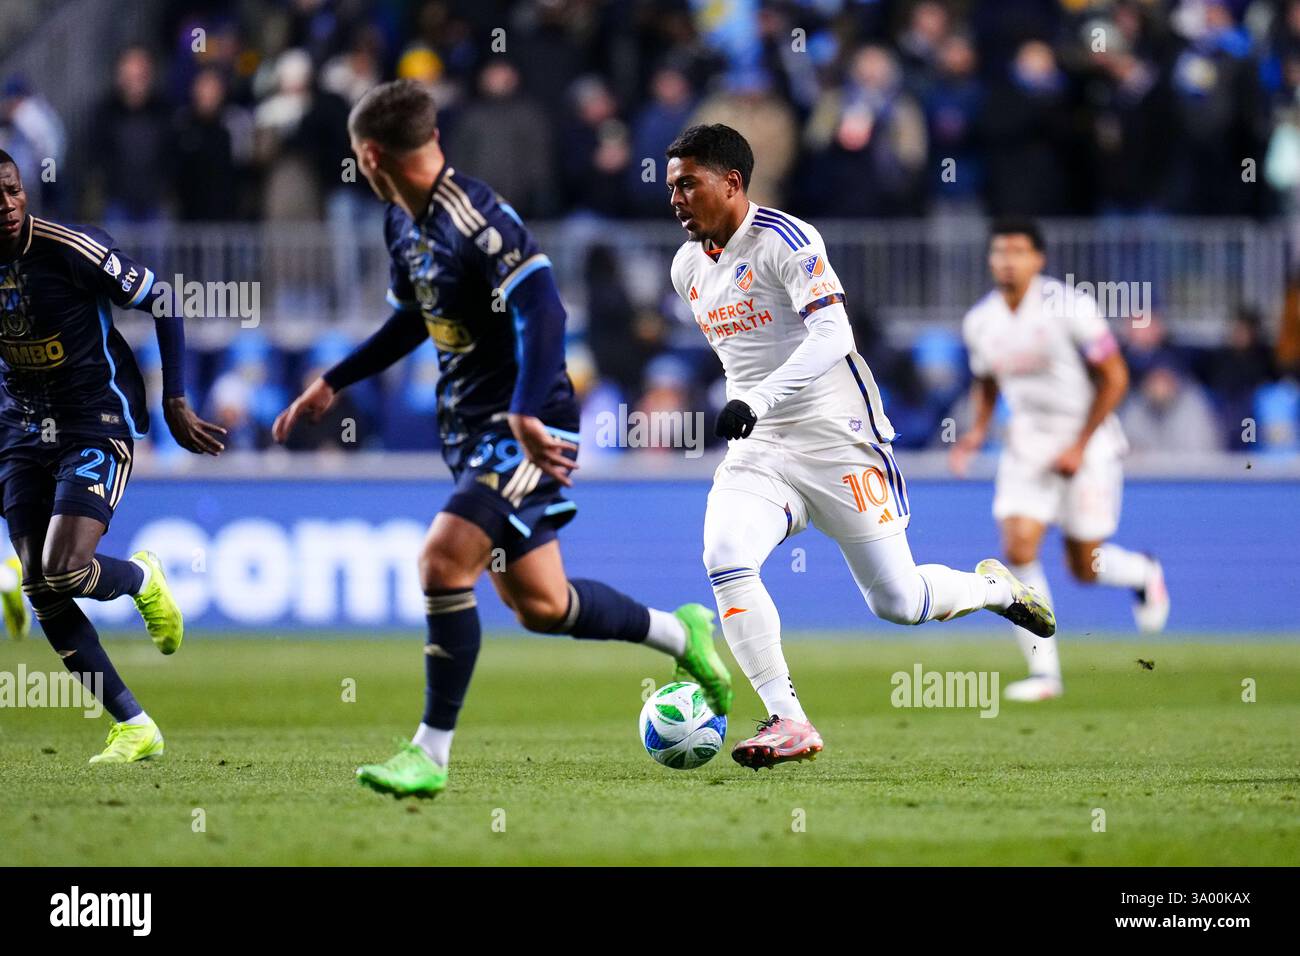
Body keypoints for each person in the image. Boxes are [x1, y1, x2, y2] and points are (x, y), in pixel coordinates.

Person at [272, 81, 732, 799]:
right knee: (541, 605)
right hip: (472, 427)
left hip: (527, 428)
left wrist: (523, 412)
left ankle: (429, 754)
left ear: (369, 155)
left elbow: (544, 307)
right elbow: (410, 319)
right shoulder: (402, 222)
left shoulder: (477, 218)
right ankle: (683, 633)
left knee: (440, 562)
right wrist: (336, 380)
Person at [664, 124, 1054, 770]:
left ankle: (994, 590)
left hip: (838, 440)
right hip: (761, 450)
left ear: (731, 183)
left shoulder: (786, 240)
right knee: (725, 554)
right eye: (670, 186)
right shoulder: (686, 269)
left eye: (687, 184)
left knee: (897, 603)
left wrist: (757, 400)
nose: (675, 198)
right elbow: (747, 354)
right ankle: (789, 719)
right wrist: (750, 408)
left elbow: (832, 335)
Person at [0, 149, 226, 762]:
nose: (7, 204)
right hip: (21, 431)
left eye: (13, 190)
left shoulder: (70, 248)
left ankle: (143, 578)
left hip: (95, 422)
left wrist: (175, 397)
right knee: (43, 585)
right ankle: (134, 725)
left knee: (65, 569)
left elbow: (164, 299)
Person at [951, 219, 1169, 703]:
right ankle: (1044, 673)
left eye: (1017, 251)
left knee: (1084, 566)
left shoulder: (1070, 307)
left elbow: (1115, 377)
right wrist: (976, 433)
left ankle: (1143, 573)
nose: (1007, 260)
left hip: (1086, 441)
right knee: (1019, 544)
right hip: (1027, 441)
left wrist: (1079, 442)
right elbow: (986, 381)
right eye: (999, 251)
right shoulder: (980, 321)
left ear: (1038, 259)